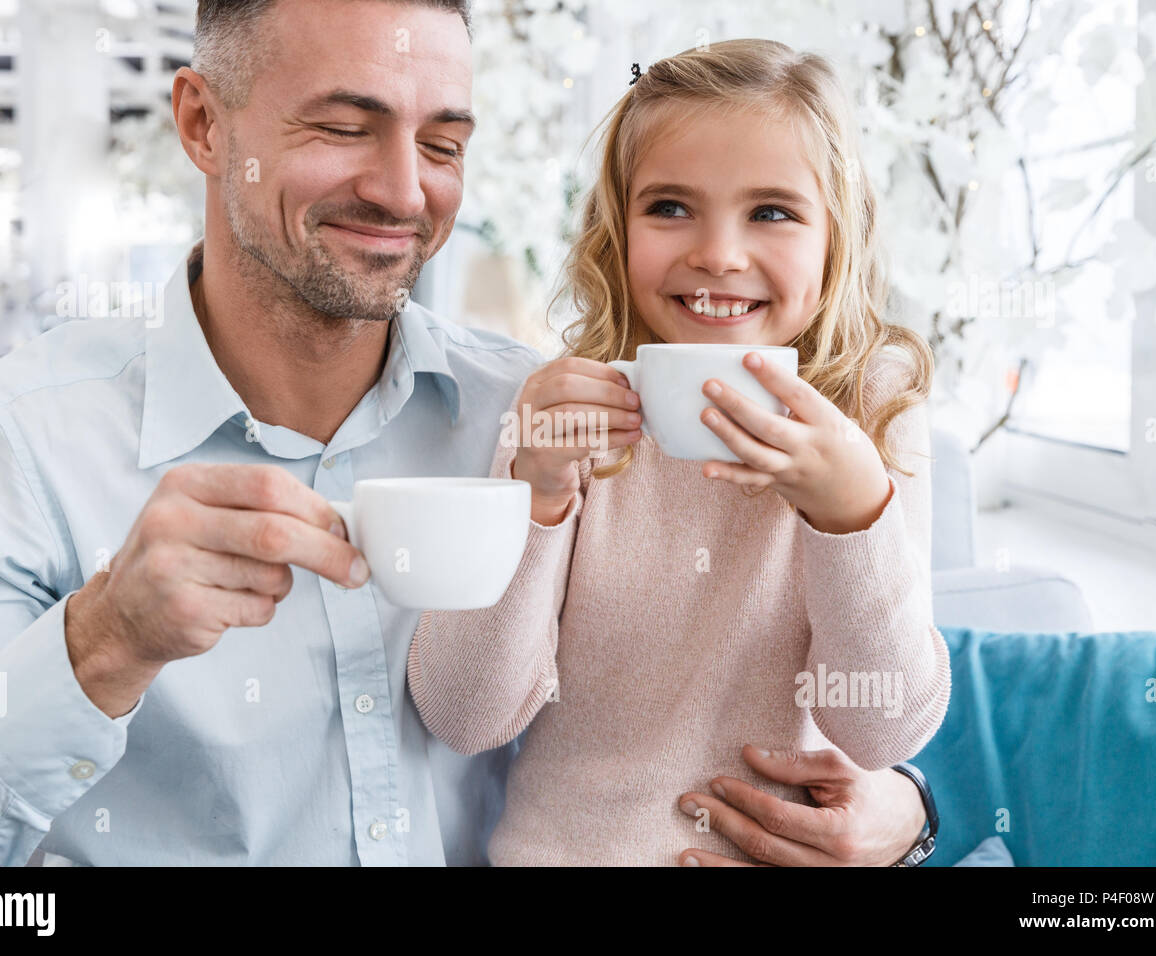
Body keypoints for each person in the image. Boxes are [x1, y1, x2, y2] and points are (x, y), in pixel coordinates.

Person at [0, 0, 933, 866]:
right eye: (344, 128)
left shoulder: (530, 403)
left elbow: (866, 681)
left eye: (442, 143)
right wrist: (105, 642)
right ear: (203, 122)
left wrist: (909, 811)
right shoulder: (9, 449)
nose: (404, 191)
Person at [408, 38, 952, 865]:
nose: (718, 254)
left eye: (771, 211)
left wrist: (850, 513)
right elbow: (465, 714)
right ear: (616, 229)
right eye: (669, 207)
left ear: (835, 234)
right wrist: (535, 494)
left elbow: (883, 729)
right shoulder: (565, 413)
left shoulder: (875, 414)